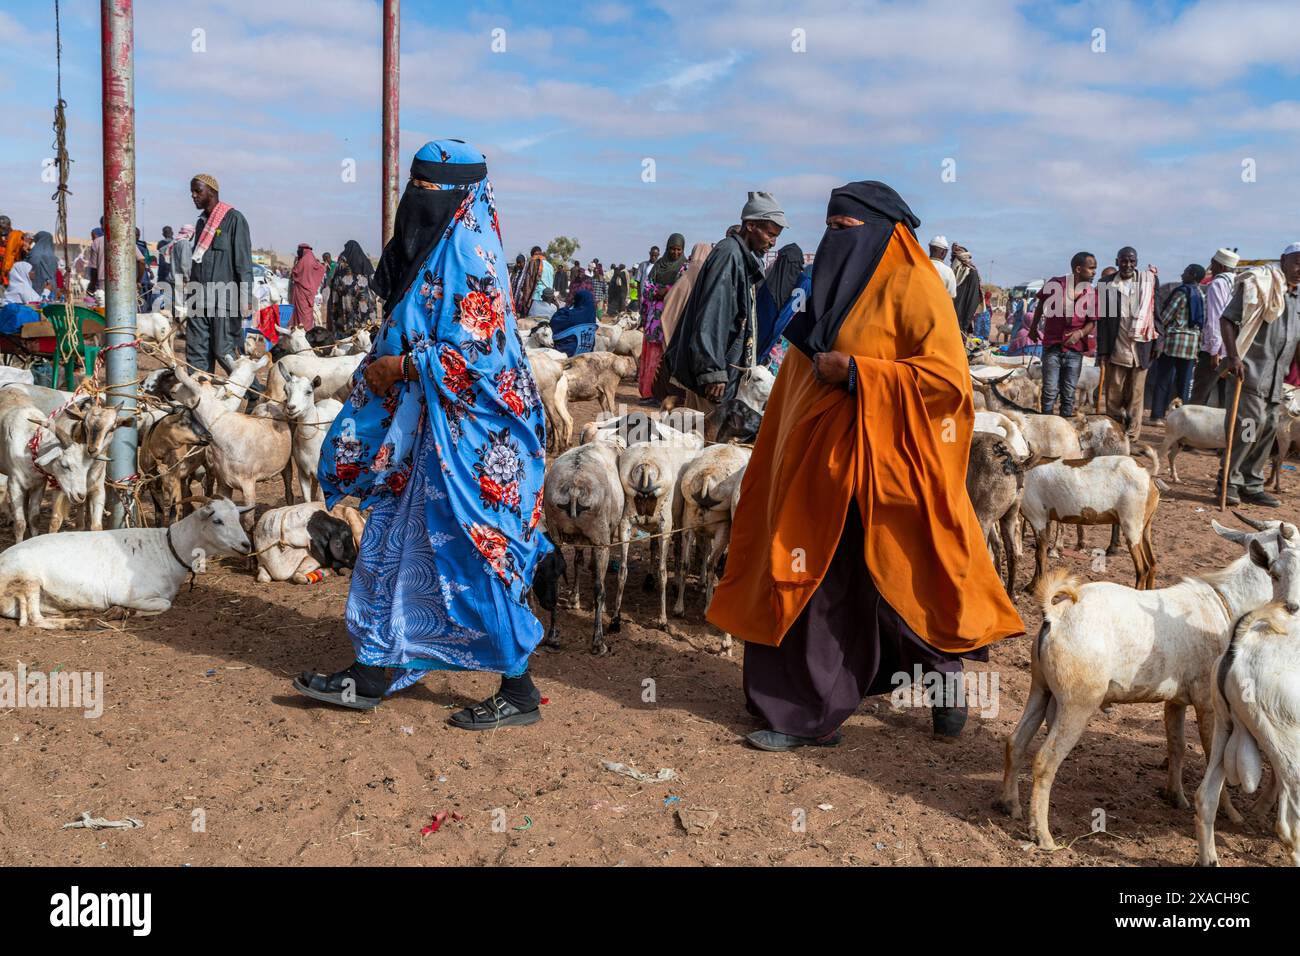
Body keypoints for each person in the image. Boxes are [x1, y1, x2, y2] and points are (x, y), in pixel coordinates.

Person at [708, 181, 1021, 750]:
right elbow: (804, 373)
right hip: (824, 469)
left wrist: (859, 373)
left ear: (880, 231)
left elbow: (948, 383)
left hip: (893, 465)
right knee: (824, 578)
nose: (831, 241)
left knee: (900, 573)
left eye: (843, 231)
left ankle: (935, 684)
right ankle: (809, 710)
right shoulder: (834, 289)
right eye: (827, 229)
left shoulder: (916, 284)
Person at [298, 139, 551, 728]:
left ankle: (519, 689)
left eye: (428, 190)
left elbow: (481, 354)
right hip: (422, 436)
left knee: (475, 555)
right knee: (388, 542)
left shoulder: (468, 251)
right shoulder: (439, 243)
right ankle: (371, 671)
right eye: (415, 187)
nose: (417, 200)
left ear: (458, 197)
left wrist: (404, 366)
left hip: (471, 441)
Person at [663, 193, 785, 423]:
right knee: (704, 441)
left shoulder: (740, 257)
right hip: (713, 380)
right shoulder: (729, 255)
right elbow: (712, 316)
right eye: (769, 234)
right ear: (750, 225)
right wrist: (713, 373)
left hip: (722, 372)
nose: (772, 242)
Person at [1218, 243, 1300, 507]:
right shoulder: (1261, 283)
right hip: (1250, 373)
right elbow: (1227, 320)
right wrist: (1233, 357)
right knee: (1248, 428)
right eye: (1297, 262)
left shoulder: (1297, 297)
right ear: (1284, 259)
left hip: (1278, 379)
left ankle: (1252, 484)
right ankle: (1228, 482)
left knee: (1268, 429)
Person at [185, 173, 253, 372]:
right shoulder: (201, 223)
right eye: (192, 192)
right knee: (197, 351)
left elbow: (243, 263)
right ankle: (200, 397)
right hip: (198, 297)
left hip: (224, 298)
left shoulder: (234, 219)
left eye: (198, 191)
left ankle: (253, 393)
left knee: (224, 350)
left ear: (212, 192)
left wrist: (245, 298)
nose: (193, 196)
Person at [1095, 246, 1158, 442]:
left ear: (1137, 262)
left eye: (1132, 261)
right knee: (1113, 395)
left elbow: (1157, 315)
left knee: (1136, 397)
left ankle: (1131, 436)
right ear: (1117, 261)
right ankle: (1115, 435)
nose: (1128, 265)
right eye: (1124, 261)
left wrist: (1158, 344)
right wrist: (1103, 351)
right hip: (1117, 348)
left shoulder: (1148, 282)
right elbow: (1104, 321)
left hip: (1141, 348)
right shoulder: (1107, 284)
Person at [1028, 252, 1097, 417]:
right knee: (1050, 390)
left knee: (1069, 393)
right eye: (1091, 268)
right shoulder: (1056, 284)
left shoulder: (1092, 293)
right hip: (1052, 346)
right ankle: (1046, 423)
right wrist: (1033, 327)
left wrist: (1080, 333)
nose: (1094, 272)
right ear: (1078, 269)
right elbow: (1040, 305)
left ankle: (1066, 426)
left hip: (1075, 350)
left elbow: (1092, 322)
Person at [1148, 264, 1207, 424]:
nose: (1182, 275)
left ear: (1192, 274)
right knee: (1184, 382)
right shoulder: (1201, 294)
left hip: (1174, 343)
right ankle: (1182, 419)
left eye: (1185, 272)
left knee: (1163, 379)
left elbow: (1166, 317)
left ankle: (1157, 416)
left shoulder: (1182, 293)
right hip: (1191, 345)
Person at [638, 233, 687, 401]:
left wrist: (667, 291)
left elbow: (681, 290)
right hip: (653, 318)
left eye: (678, 249)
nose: (675, 253)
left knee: (661, 356)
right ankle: (646, 392)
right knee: (650, 354)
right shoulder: (659, 265)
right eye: (672, 249)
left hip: (669, 318)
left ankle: (657, 392)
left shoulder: (684, 268)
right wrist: (657, 292)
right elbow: (646, 287)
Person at [1190, 248, 1238, 408]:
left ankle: (1189, 432)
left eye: (1213, 263)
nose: (1210, 266)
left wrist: (1214, 351)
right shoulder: (1237, 283)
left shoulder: (1218, 284)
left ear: (1222, 267)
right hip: (1233, 352)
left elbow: (1216, 318)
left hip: (1215, 352)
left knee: (1199, 395)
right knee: (1226, 399)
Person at [326, 239, 378, 337]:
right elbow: (373, 285)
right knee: (365, 328)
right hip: (364, 301)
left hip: (346, 301)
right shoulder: (365, 263)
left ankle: (348, 340)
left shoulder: (341, 266)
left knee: (348, 326)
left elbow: (335, 287)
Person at [289, 243, 326, 330]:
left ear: (303, 250)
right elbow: (322, 269)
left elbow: (294, 273)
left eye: (299, 250)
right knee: (307, 313)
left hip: (302, 292)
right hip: (309, 292)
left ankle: (303, 331)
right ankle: (307, 330)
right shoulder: (313, 260)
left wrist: (295, 262)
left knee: (302, 313)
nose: (298, 252)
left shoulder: (303, 261)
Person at [551, 288, 598, 356]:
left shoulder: (572, 315)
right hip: (587, 349)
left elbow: (554, 322)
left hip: (568, 349)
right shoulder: (592, 315)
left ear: (578, 300)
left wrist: (565, 308)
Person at [950, 243, 982, 335]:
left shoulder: (971, 273)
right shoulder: (951, 273)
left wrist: (964, 326)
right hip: (948, 319)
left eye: (953, 258)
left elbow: (973, 300)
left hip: (961, 323)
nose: (951, 260)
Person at [514, 246, 554, 318]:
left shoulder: (534, 262)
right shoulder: (550, 266)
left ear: (532, 254)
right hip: (548, 298)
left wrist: (525, 302)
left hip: (536, 297)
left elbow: (528, 284)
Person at [27, 231, 59, 301]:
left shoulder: (34, 254)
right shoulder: (53, 256)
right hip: (51, 286)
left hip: (37, 285)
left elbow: (27, 268)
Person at [0, 216, 25, 287]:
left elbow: (24, 249)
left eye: (3, 227)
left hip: (11, 272)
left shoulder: (17, 236)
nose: (1, 230)